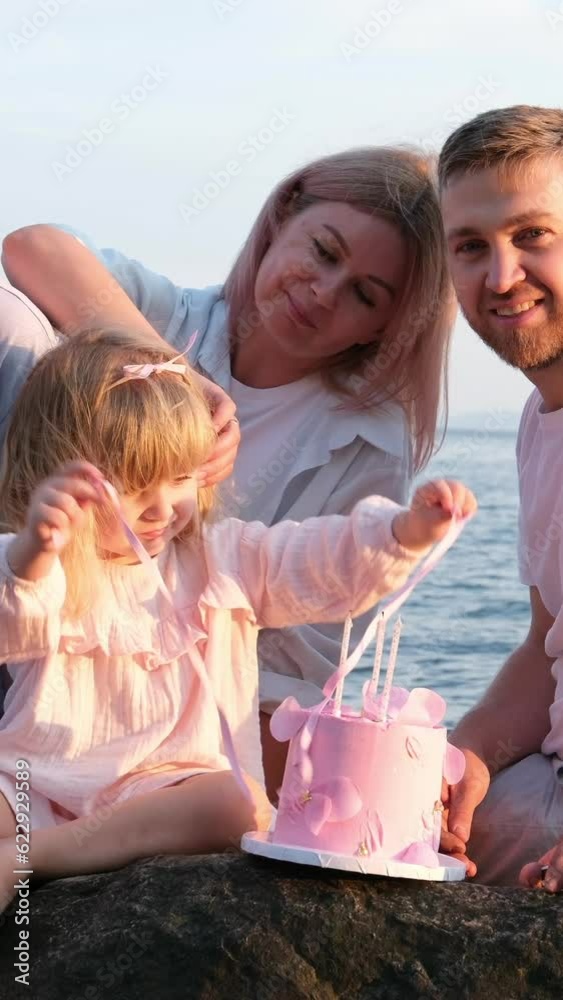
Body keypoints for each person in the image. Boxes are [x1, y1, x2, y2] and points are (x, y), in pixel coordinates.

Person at [1, 147, 454, 798]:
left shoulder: (364, 442)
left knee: (221, 799)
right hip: (29, 622)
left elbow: (306, 650)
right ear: (281, 219)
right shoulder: (175, 319)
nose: (322, 293)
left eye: (363, 293)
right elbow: (32, 245)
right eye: (323, 252)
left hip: (168, 717)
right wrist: (172, 374)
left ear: (388, 322)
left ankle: (49, 849)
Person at [0, 327, 476, 909]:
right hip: (33, 782)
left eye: (179, 478)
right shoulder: (46, 563)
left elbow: (319, 563)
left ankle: (30, 856)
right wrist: (34, 552)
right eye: (127, 487)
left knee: (233, 804)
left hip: (169, 786)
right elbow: (15, 621)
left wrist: (403, 532)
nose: (160, 507)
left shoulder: (223, 559)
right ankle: (40, 840)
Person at [437, 104, 563, 892]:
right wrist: (461, 760)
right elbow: (544, 648)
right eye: (471, 247)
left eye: (532, 236)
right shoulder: (535, 422)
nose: (501, 276)